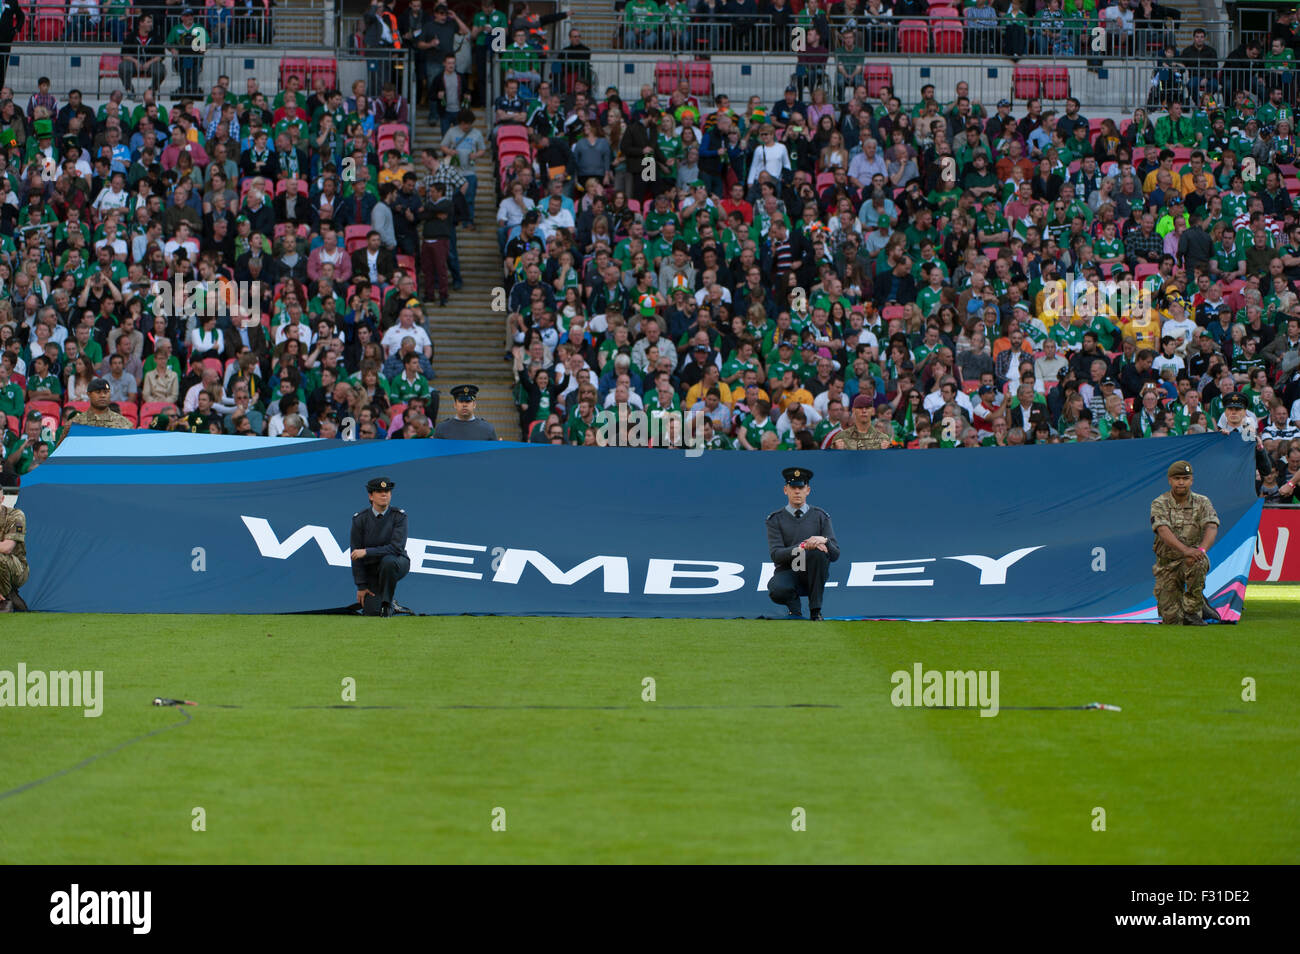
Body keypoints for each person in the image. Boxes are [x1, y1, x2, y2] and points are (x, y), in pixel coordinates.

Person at [765, 466, 840, 621]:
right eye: (793, 487)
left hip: (814, 573)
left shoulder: (821, 516)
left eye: (801, 487)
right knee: (776, 589)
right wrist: (803, 546)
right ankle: (795, 610)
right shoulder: (775, 519)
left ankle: (815, 610)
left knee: (819, 553)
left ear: (808, 490)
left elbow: (835, 554)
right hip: (788, 571)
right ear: (786, 490)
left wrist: (824, 540)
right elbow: (776, 555)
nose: (797, 491)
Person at [1150, 459, 1219, 626]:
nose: (1181, 482)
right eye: (1177, 478)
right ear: (1170, 480)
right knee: (1172, 620)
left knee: (1197, 561)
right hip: (1167, 565)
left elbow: (1211, 526)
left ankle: (1193, 608)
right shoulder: (1159, 503)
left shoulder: (1202, 502)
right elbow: (1163, 530)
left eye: (1185, 478)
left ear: (1191, 480)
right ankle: (1198, 604)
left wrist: (1201, 550)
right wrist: (1184, 550)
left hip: (1192, 559)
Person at [350, 476, 411, 617]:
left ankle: (386, 603)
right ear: (371, 496)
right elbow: (355, 555)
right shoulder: (360, 519)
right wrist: (361, 586)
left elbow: (396, 548)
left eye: (387, 491)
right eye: (379, 491)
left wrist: (367, 551)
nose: (384, 494)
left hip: (397, 562)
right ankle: (391, 604)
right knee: (371, 612)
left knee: (388, 561)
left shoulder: (399, 517)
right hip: (373, 570)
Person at [59, 378, 133, 439]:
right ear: (88, 394)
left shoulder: (124, 423)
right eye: (98, 392)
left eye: (106, 392)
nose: (103, 395)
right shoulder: (75, 424)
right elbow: (62, 452)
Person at [433, 383, 498, 439]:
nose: (464, 405)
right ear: (455, 405)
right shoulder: (442, 429)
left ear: (474, 404)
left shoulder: (487, 429)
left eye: (468, 401)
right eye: (461, 401)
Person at [0, 492, 27, 612]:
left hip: (17, 569)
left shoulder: (16, 516)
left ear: (2, 498)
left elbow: (7, 548)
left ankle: (6, 599)